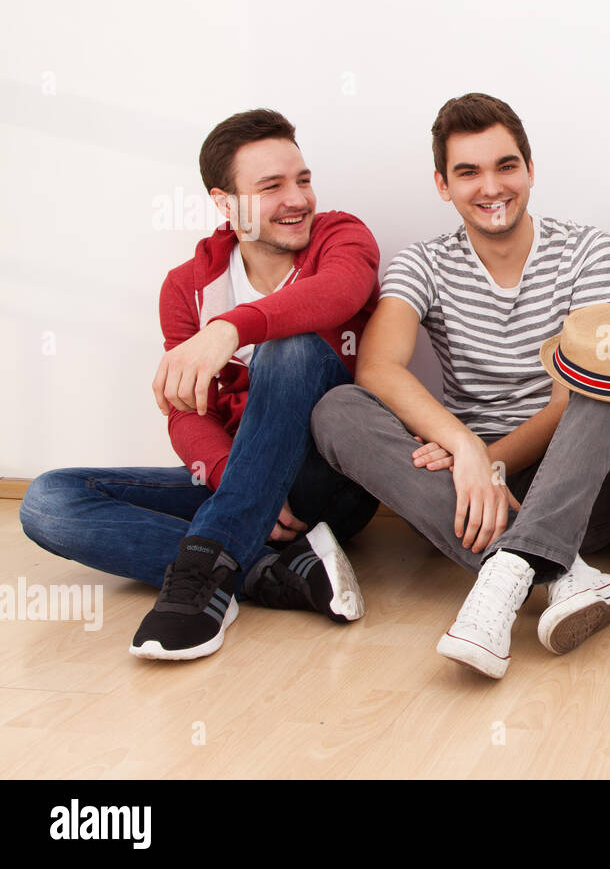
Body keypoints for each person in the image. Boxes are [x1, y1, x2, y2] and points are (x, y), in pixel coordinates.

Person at [311, 93, 610, 680]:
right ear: (442, 184)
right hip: (466, 494)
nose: (491, 186)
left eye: (506, 166)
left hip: (571, 480)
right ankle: (561, 572)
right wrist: (464, 451)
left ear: (529, 170)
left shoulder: (589, 251)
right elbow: (378, 368)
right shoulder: (423, 263)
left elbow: (570, 399)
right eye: (468, 172)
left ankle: (510, 573)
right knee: (337, 410)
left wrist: (488, 461)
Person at [19, 108, 381, 661]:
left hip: (324, 484)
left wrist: (231, 328)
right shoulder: (186, 286)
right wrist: (220, 473)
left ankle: (206, 576)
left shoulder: (340, 237)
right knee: (47, 501)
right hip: (235, 480)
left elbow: (338, 293)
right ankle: (269, 570)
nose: (297, 199)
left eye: (302, 179)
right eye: (271, 187)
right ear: (224, 202)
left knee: (290, 346)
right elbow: (186, 411)